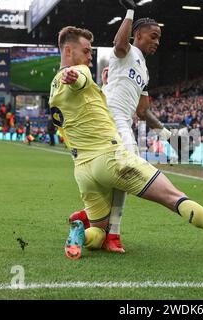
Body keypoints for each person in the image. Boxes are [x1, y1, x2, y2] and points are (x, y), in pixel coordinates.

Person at [49, 23, 203, 263]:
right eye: (86, 51)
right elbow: (83, 72)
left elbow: (132, 108)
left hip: (83, 170)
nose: (90, 57)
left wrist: (167, 136)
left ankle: (81, 234)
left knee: (98, 233)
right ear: (68, 51)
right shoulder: (80, 72)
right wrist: (71, 74)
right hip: (111, 157)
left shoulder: (53, 89)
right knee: (175, 198)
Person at [70, 0, 172, 253]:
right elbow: (118, 43)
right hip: (110, 120)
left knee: (117, 179)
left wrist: (166, 133)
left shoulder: (144, 71)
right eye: (153, 36)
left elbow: (143, 110)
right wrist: (130, 11)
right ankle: (112, 234)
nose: (157, 42)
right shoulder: (125, 52)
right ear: (138, 35)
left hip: (123, 123)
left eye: (159, 38)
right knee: (129, 172)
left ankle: (86, 218)